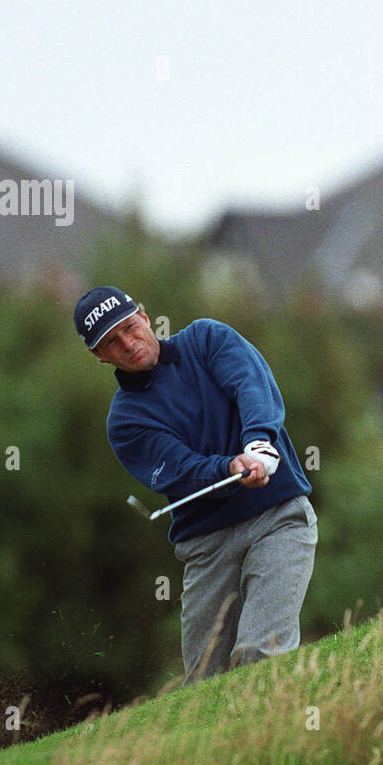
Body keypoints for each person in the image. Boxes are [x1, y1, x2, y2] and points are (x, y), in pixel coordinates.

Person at [73, 285, 318, 685]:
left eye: (130, 328)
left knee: (261, 653)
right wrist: (230, 467)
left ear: (146, 317)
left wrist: (258, 443)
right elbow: (180, 468)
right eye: (112, 342)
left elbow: (251, 385)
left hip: (279, 518)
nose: (129, 343)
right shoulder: (124, 421)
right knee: (205, 680)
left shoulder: (206, 339)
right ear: (99, 356)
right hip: (208, 544)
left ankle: (272, 741)